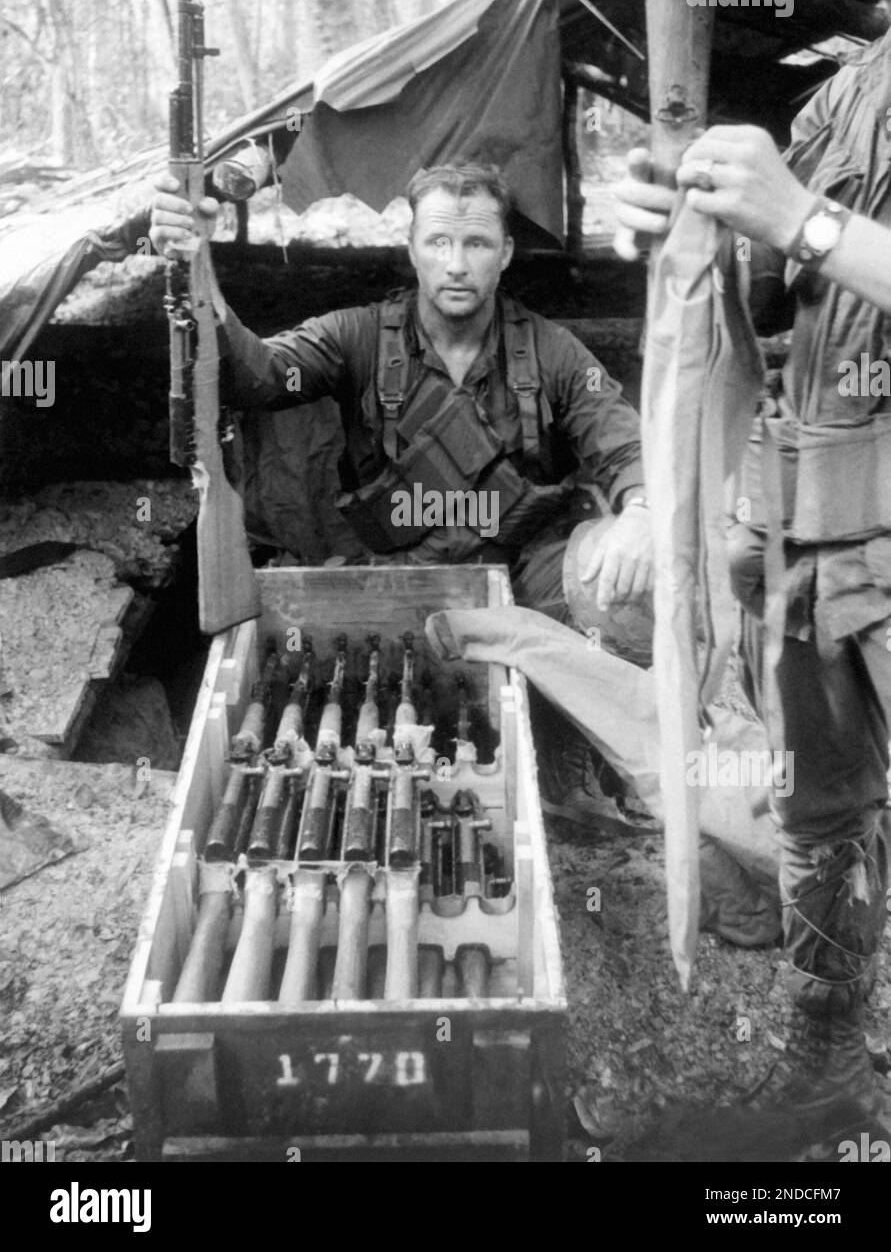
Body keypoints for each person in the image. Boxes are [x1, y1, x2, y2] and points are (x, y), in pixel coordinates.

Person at [615, 0, 891, 1140]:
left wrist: (810, 221)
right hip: (819, 533)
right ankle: (822, 1071)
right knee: (818, 814)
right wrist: (694, 224)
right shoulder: (838, 100)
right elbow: (778, 304)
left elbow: (819, 240)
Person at [150, 160, 655, 811]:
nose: (455, 263)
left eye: (475, 244)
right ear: (412, 248)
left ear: (503, 253)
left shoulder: (551, 351)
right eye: (438, 242)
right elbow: (259, 376)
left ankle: (578, 744)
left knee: (639, 576)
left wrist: (641, 511)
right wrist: (198, 274)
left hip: (524, 588)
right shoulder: (357, 335)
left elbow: (623, 442)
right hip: (396, 584)